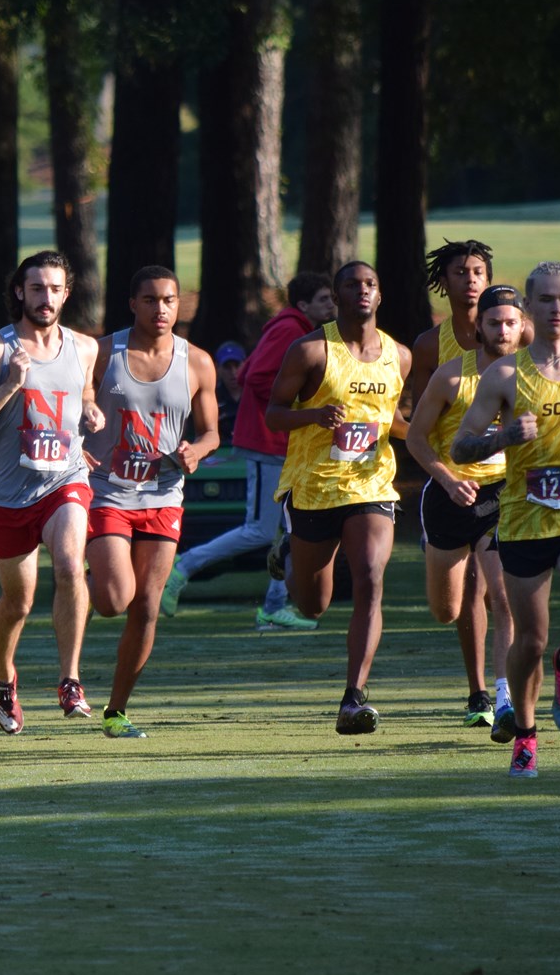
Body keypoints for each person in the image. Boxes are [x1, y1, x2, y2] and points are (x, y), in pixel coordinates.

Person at [453, 261, 560, 778]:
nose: (555, 308)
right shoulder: (505, 375)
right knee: (528, 640)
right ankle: (526, 736)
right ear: (528, 307)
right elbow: (461, 446)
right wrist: (504, 437)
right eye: (545, 299)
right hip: (525, 517)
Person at [0, 250, 105, 734]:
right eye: (37, 288)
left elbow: (83, 393)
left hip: (65, 480)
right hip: (6, 493)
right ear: (20, 291)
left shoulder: (84, 348)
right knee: (18, 602)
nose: (46, 298)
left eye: (55, 289)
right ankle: (3, 674)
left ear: (67, 294)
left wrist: (90, 409)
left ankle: (70, 680)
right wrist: (10, 386)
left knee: (70, 565)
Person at [266, 260, 410, 734]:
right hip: (314, 486)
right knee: (312, 604)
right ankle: (288, 555)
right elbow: (273, 414)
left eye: (370, 284)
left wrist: (431, 436)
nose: (362, 290)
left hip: (372, 484)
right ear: (336, 295)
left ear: (380, 295)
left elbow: (394, 420)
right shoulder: (310, 350)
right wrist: (313, 416)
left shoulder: (399, 356)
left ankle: (354, 697)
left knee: (370, 575)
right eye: (352, 284)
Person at [83, 266, 218, 737]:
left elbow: (211, 433)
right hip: (107, 490)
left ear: (178, 304)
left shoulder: (197, 362)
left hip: (163, 494)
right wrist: (77, 442)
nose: (161, 309)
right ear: (132, 304)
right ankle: (81, 575)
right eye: (150, 300)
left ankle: (116, 712)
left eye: (169, 300)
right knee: (112, 600)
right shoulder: (103, 353)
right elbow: (69, 406)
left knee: (147, 607)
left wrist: (196, 451)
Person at [160, 273, 337, 627]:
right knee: (260, 530)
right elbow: (254, 377)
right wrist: (303, 399)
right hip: (266, 443)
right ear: (303, 305)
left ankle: (273, 609)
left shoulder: (297, 329)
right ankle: (183, 567)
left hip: (283, 444)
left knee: (290, 532)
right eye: (324, 299)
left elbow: (249, 375)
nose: (332, 305)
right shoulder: (290, 329)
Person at [405, 285, 523, 727]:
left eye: (511, 323)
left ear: (522, 326)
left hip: (503, 495)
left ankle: (505, 700)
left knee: (504, 598)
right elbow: (416, 438)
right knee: (447, 611)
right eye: (494, 323)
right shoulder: (451, 376)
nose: (503, 331)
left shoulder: (532, 377)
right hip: (450, 496)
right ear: (479, 327)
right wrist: (449, 479)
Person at [408, 240, 499, 408]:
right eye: (460, 272)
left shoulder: (519, 334)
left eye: (478, 272)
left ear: (487, 280)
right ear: (444, 282)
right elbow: (419, 416)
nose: (471, 279)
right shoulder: (429, 345)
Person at [214, 342, 245, 438]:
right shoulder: (212, 398)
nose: (233, 372)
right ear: (218, 369)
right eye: (227, 367)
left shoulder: (256, 394)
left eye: (237, 365)